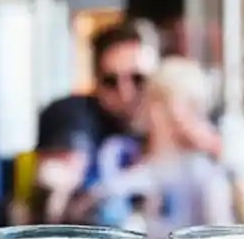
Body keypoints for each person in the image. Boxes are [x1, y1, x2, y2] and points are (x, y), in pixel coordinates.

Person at [76, 58, 233, 239]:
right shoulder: (117, 152)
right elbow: (85, 211)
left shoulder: (203, 175)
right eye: (154, 101)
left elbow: (220, 236)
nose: (158, 114)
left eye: (168, 106)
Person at [32, 24, 158, 224]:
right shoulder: (73, 113)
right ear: (96, 81)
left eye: (138, 79)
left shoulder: (171, 124)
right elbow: (61, 170)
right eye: (111, 81)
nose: (126, 93)